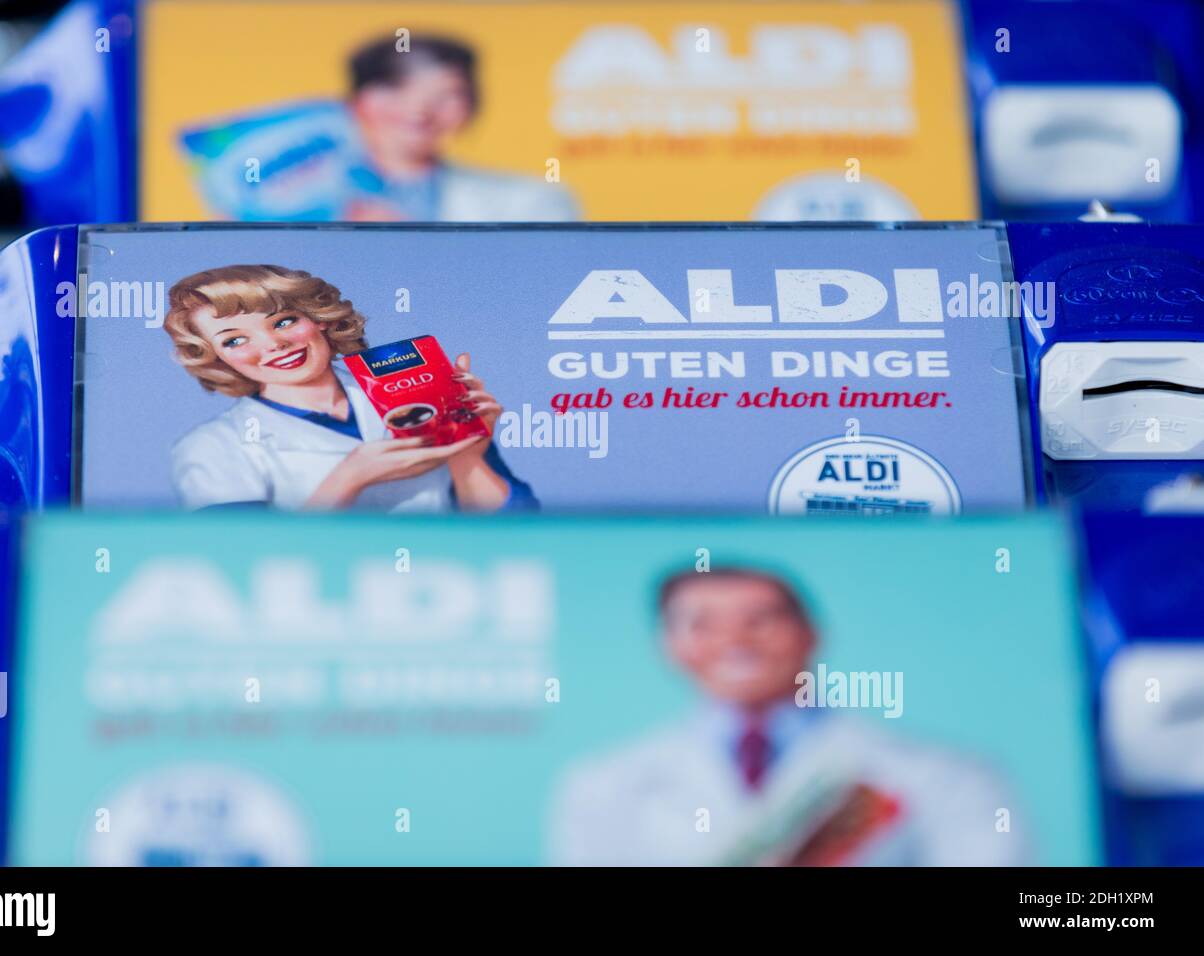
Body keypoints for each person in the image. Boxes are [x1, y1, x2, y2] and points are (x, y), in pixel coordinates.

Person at [548, 567, 1028, 866]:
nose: (735, 640)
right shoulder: (601, 783)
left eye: (760, 620)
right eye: (703, 624)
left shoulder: (942, 775)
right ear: (669, 647)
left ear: (811, 634)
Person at [162, 264, 536, 512]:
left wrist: (466, 453)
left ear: (319, 320)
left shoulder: (415, 397)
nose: (273, 345)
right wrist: (348, 479)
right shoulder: (213, 447)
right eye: (234, 341)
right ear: (214, 357)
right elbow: (233, 568)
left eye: (283, 321)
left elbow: (518, 536)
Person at [340, 34, 579, 222]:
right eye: (397, 88)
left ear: (470, 105)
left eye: (446, 94)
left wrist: (409, 242)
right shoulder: (308, 191)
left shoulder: (531, 199)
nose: (419, 109)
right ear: (358, 99)